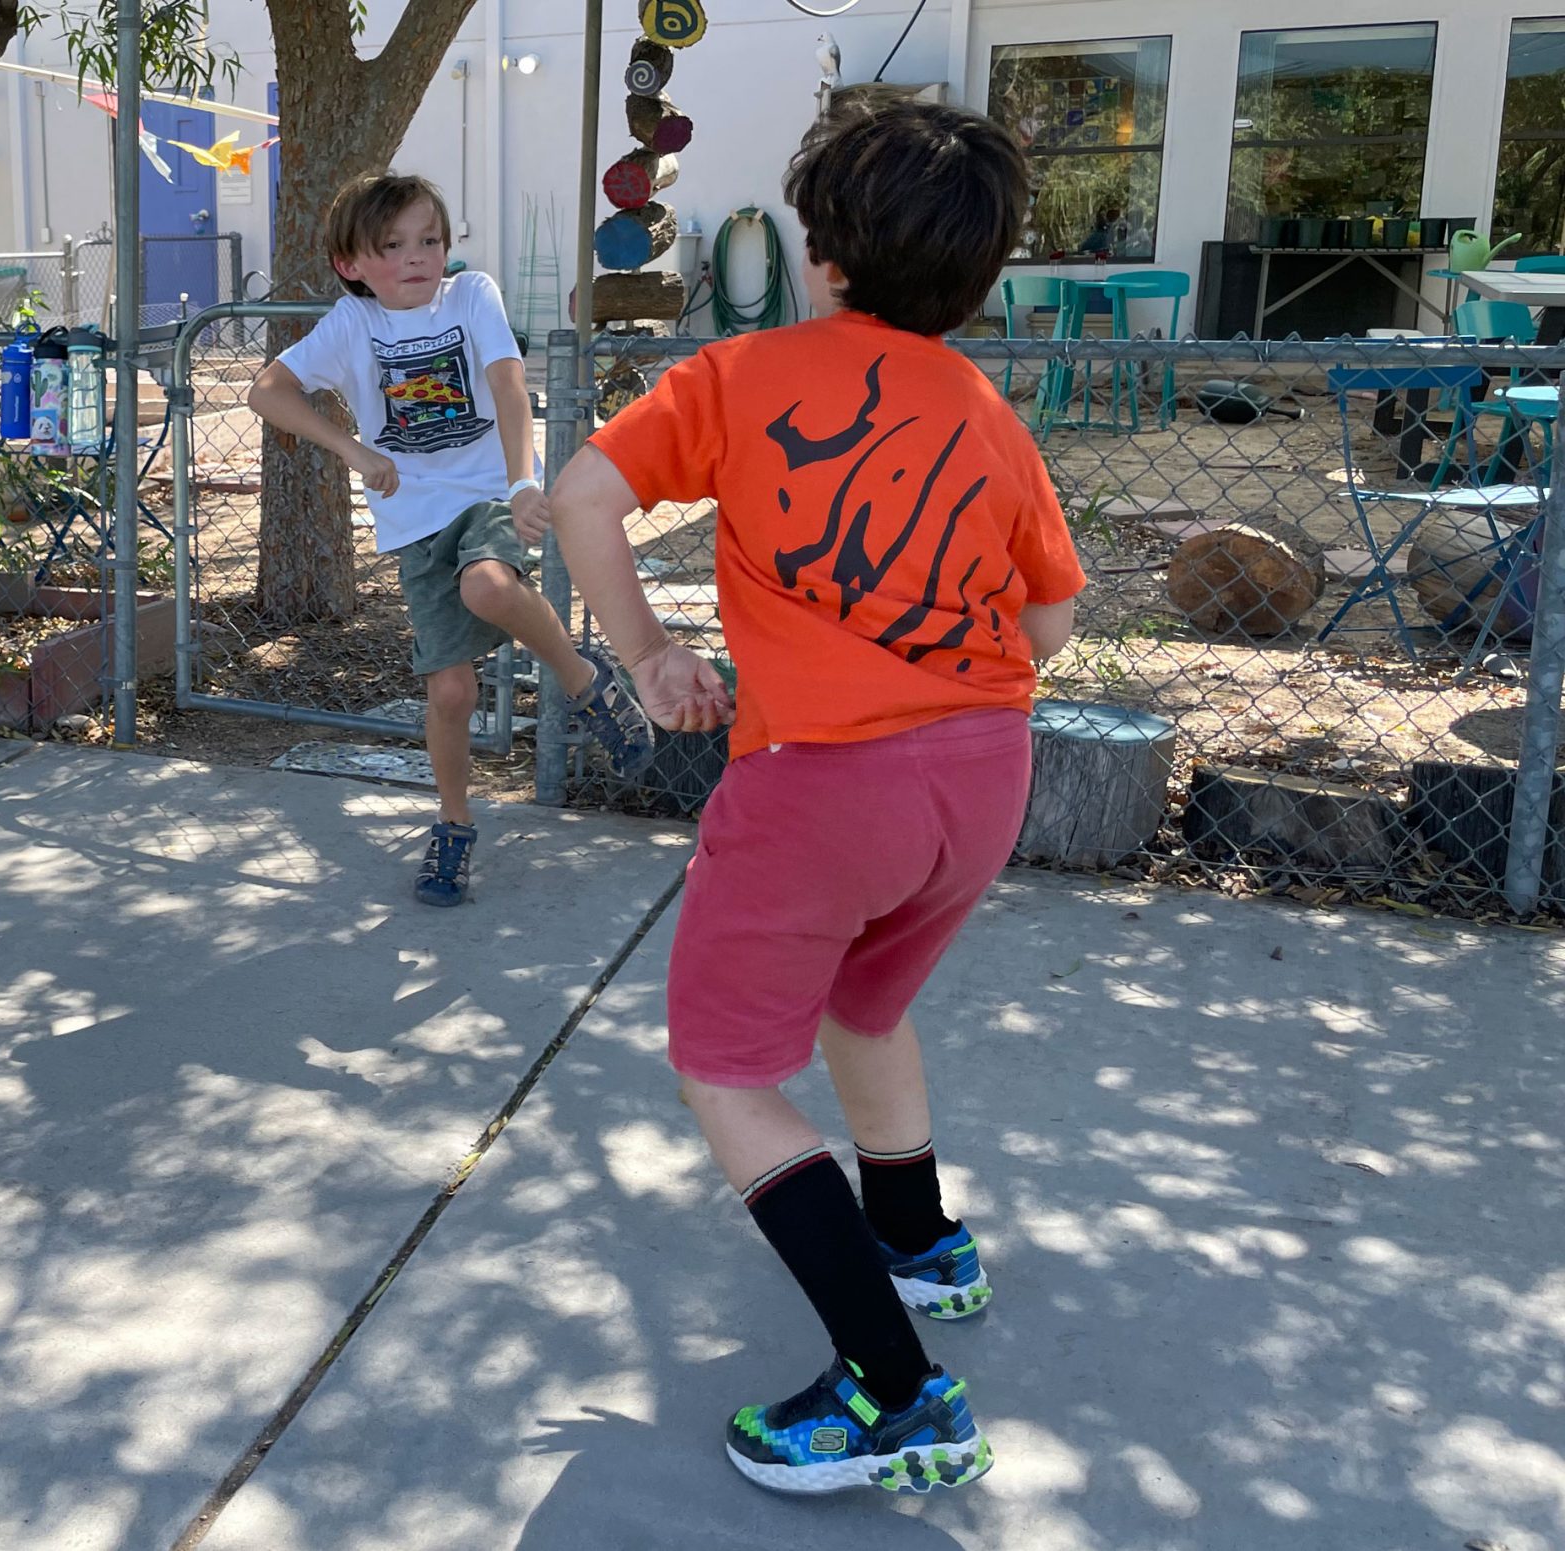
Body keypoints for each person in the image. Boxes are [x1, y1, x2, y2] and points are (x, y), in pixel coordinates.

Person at [542, 96, 1087, 1493]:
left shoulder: (743, 371)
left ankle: (894, 1385)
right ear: (977, 277)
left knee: (728, 1069)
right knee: (869, 1001)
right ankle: (919, 1234)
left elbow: (582, 495)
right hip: (982, 778)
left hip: (819, 785)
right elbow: (1053, 623)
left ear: (824, 251)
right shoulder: (989, 412)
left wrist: (655, 652)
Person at [244, 174, 656, 906]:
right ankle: (455, 825)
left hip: (491, 492)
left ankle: (583, 680)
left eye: (430, 240)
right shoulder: (350, 324)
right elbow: (267, 390)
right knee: (452, 691)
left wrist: (524, 481)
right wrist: (354, 451)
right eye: (395, 245)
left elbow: (506, 386)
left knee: (489, 585)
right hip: (415, 521)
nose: (418, 257)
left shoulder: (472, 297)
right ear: (353, 264)